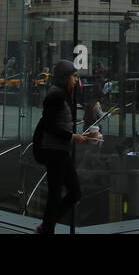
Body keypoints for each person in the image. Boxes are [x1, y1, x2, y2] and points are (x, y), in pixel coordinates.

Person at [35, 60, 89, 234]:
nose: (76, 80)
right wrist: (73, 136)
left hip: (60, 150)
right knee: (59, 192)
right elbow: (50, 126)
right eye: (74, 76)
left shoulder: (62, 94)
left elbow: (57, 123)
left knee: (71, 192)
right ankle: (47, 227)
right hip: (55, 152)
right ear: (64, 77)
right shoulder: (56, 96)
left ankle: (47, 225)